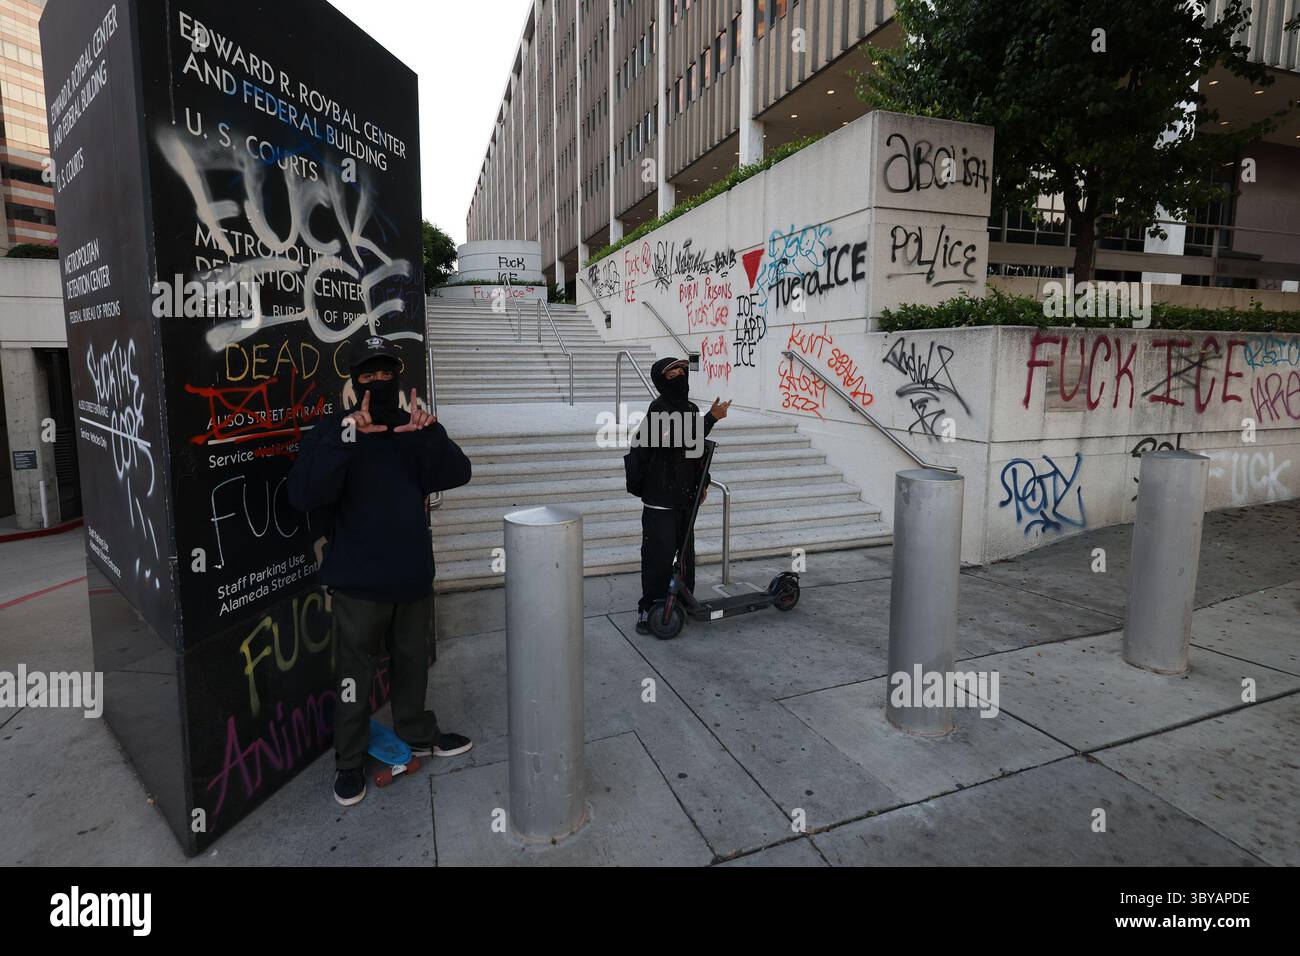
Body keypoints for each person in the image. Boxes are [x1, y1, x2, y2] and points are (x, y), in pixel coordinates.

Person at [287, 336, 473, 807]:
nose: (378, 381)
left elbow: (459, 472)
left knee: (412, 666)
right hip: (358, 584)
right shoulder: (335, 430)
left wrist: (430, 432)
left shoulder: (415, 427)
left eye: (386, 372)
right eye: (368, 374)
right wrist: (345, 437)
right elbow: (304, 494)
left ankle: (416, 733)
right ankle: (349, 762)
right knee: (355, 677)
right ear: (354, 380)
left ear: (399, 375)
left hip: (411, 575)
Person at [629, 357, 731, 634]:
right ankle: (649, 607)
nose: (679, 374)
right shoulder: (658, 409)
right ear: (661, 380)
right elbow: (677, 439)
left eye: (682, 370)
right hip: (659, 500)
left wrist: (704, 483)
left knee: (684, 556)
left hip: (685, 497)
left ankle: (681, 601)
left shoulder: (690, 408)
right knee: (657, 557)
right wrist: (711, 419)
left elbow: (694, 450)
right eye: (672, 372)